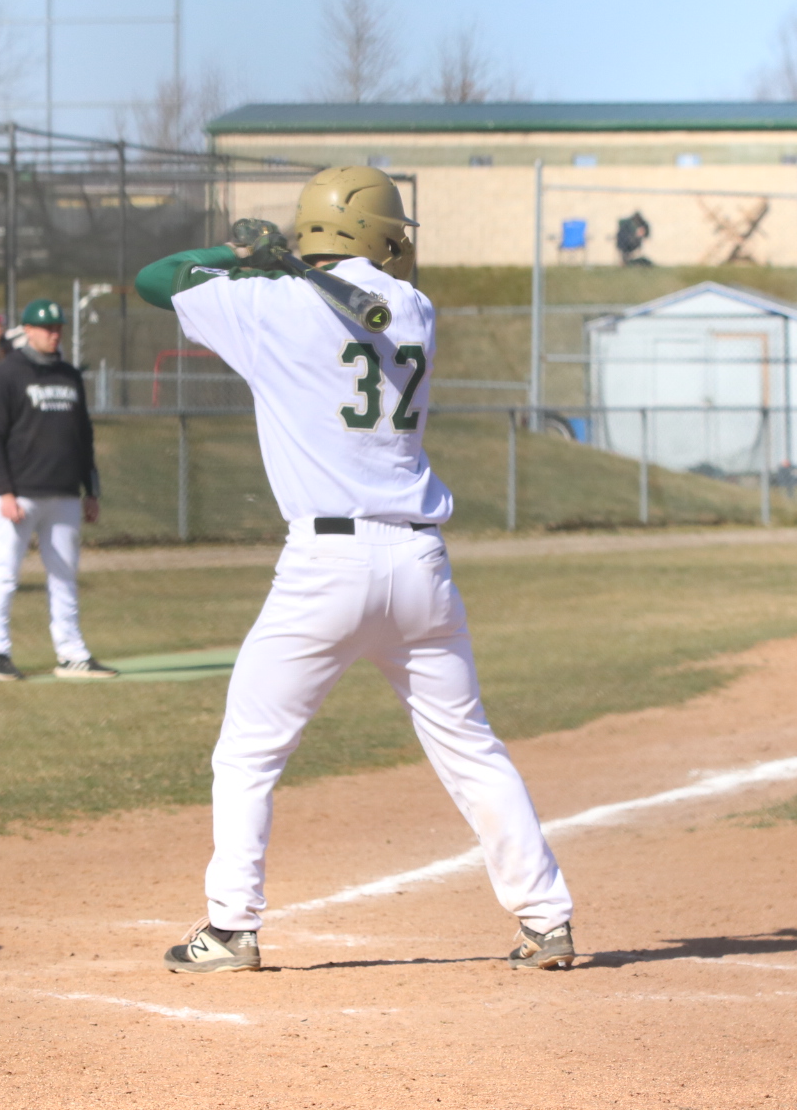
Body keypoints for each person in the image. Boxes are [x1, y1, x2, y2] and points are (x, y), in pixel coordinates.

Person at [135, 166, 577, 975]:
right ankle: (547, 918)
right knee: (471, 747)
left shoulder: (271, 305)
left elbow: (155, 280)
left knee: (248, 753)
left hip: (324, 566)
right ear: (379, 234)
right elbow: (346, 304)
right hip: (419, 564)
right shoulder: (415, 309)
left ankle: (232, 929)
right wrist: (273, 269)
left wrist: (238, 256)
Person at [0, 298, 115, 682]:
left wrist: (91, 490)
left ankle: (72, 654)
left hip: (64, 492)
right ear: (29, 330)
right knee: (4, 572)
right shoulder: (7, 374)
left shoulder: (69, 375)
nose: (54, 334)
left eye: (58, 328)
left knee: (64, 574)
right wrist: (4, 490)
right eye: (47, 328)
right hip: (19, 492)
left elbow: (83, 436)